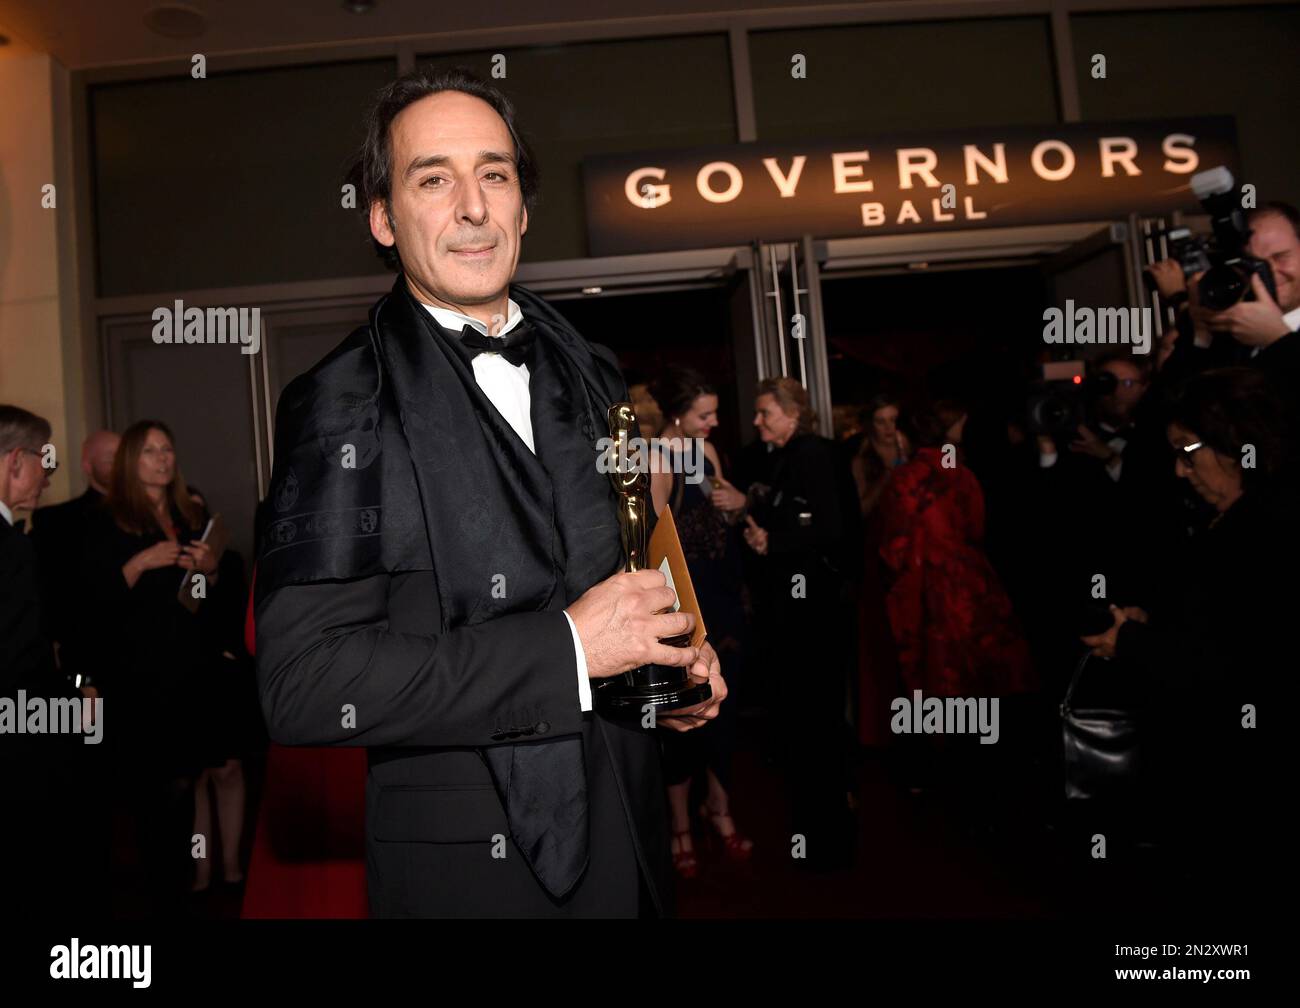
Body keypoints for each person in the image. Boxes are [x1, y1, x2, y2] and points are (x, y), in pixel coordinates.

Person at [253, 67, 725, 919]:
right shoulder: (340, 403)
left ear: (522, 206)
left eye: (495, 174)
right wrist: (570, 653)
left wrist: (674, 652)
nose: (473, 206)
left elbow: (620, 554)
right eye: (433, 178)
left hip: (633, 822)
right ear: (384, 219)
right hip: (473, 868)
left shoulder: (590, 365)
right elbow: (305, 684)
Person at [1081, 367, 1291, 910]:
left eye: (1188, 452)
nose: (1179, 470)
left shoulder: (1264, 526)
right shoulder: (1239, 517)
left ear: (1233, 443)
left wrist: (1130, 644)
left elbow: (1235, 664)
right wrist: (1151, 624)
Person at [85, 420, 223, 915]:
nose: (162, 459)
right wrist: (141, 562)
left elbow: (200, 606)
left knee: (184, 790)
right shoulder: (107, 521)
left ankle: (181, 891)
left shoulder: (189, 514)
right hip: (138, 682)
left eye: (167, 449)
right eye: (149, 451)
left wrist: (207, 571)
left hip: (185, 674)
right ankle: (159, 895)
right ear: (130, 462)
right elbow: (91, 608)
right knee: (154, 799)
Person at [742, 377, 855, 870]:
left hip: (817, 612)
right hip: (797, 608)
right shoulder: (783, 457)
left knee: (817, 716)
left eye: (765, 411)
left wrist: (775, 544)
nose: (757, 420)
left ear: (793, 412)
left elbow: (833, 528)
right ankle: (819, 819)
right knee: (806, 717)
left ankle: (828, 829)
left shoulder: (814, 452)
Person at [646, 367, 752, 878]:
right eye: (703, 414)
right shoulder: (655, 457)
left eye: (714, 413)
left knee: (726, 711)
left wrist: (739, 509)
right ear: (677, 414)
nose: (713, 422)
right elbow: (653, 541)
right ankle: (681, 826)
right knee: (685, 718)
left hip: (727, 594)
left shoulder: (706, 451)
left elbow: (721, 518)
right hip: (688, 601)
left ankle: (721, 809)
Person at [0, 406, 81, 915]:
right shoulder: (10, 547)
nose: (47, 479)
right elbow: (16, 661)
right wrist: (73, 701)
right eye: (42, 462)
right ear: (14, 462)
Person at [31, 429, 119, 692]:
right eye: (109, 459)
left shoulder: (158, 519)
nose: (119, 466)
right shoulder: (61, 522)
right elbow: (60, 607)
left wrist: (205, 578)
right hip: (96, 669)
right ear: (87, 466)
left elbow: (197, 595)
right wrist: (82, 677)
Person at [848, 394, 909, 747]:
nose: (889, 428)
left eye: (894, 420)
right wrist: (888, 475)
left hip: (909, 553)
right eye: (882, 421)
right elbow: (861, 510)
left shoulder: (911, 448)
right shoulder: (862, 460)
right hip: (877, 553)